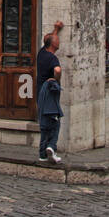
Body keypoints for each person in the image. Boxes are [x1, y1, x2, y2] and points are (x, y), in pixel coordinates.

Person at [37, 21, 65, 164]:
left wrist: (56, 29)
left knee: (44, 124)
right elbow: (58, 70)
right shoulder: (53, 58)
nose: (59, 41)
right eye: (57, 40)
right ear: (53, 45)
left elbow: (49, 40)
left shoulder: (41, 53)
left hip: (40, 93)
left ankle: (42, 155)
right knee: (55, 122)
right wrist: (56, 80)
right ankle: (51, 147)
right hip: (49, 92)